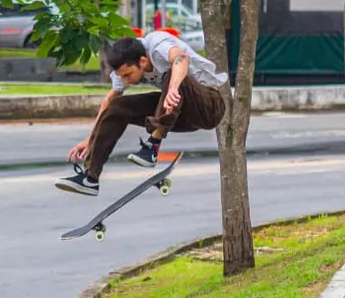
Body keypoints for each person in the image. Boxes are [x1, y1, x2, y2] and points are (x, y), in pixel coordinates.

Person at [56, 29, 228, 196]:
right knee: (117, 106)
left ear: (143, 61)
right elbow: (108, 100)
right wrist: (90, 138)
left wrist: (173, 88)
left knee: (174, 74)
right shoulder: (122, 68)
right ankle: (90, 177)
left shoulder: (158, 45)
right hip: (179, 115)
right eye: (122, 76)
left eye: (128, 75)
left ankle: (152, 146)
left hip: (209, 107)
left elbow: (181, 59)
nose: (126, 80)